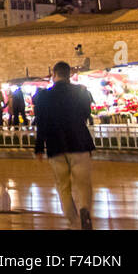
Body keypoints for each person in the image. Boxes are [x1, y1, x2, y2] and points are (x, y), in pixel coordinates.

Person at [33, 61, 96, 230]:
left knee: (63, 187)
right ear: (69, 75)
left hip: (56, 146)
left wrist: (39, 148)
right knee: (83, 184)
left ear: (54, 75)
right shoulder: (80, 92)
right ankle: (84, 210)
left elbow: (41, 123)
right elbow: (86, 114)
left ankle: (74, 222)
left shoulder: (44, 96)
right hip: (79, 143)